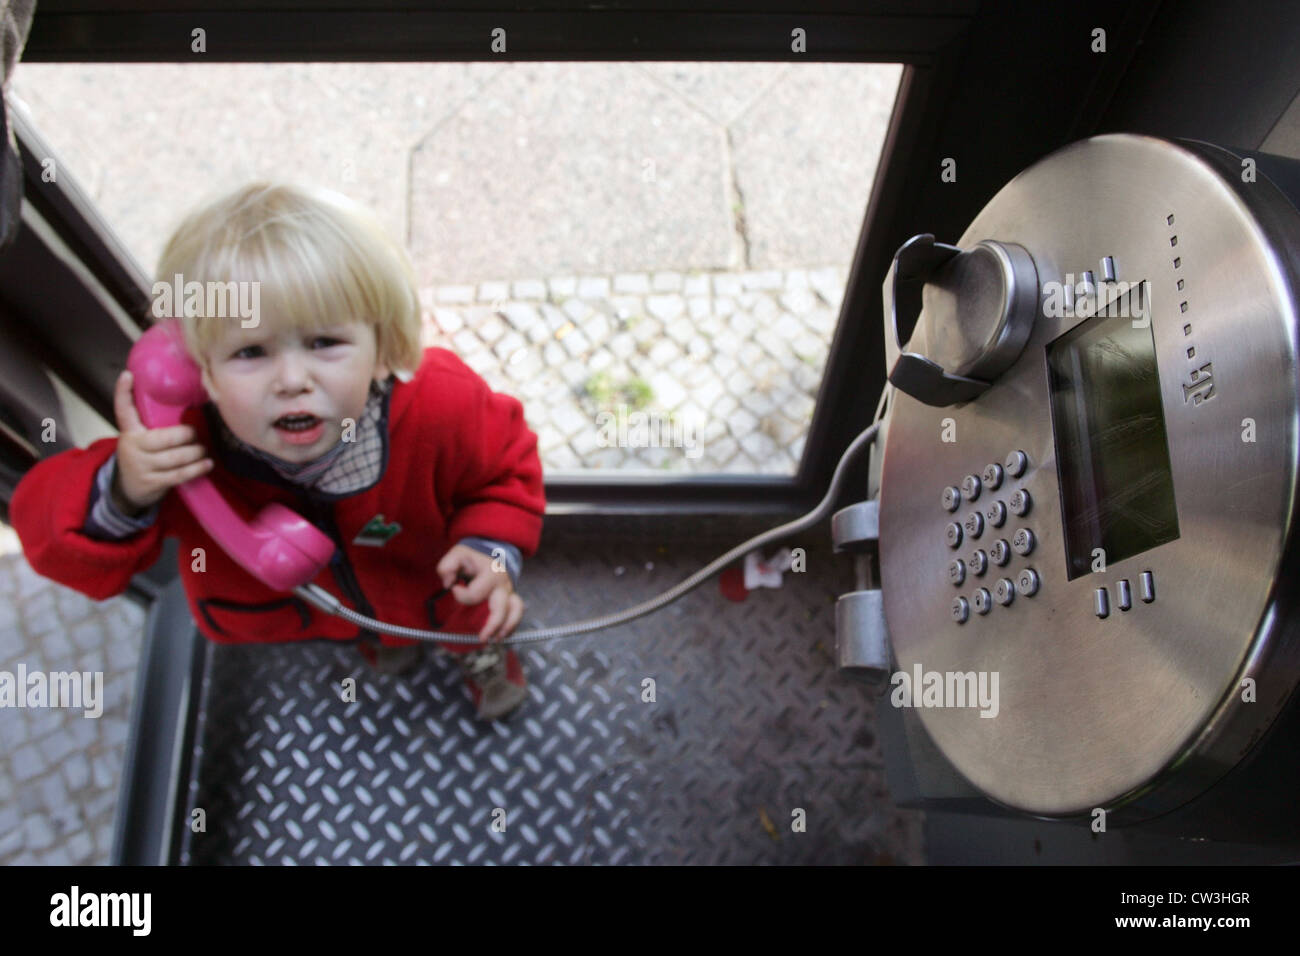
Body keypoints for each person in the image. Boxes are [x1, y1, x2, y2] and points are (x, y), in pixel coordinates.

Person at [9, 181, 546, 721]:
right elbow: (51, 540)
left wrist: (493, 548)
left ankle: (479, 656)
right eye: (250, 351)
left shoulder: (443, 406)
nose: (292, 380)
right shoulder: (179, 450)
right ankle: (385, 639)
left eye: (323, 343)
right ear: (199, 371)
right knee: (367, 629)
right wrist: (125, 487)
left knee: (473, 622)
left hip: (443, 591)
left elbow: (505, 472)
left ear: (382, 349)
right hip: (322, 614)